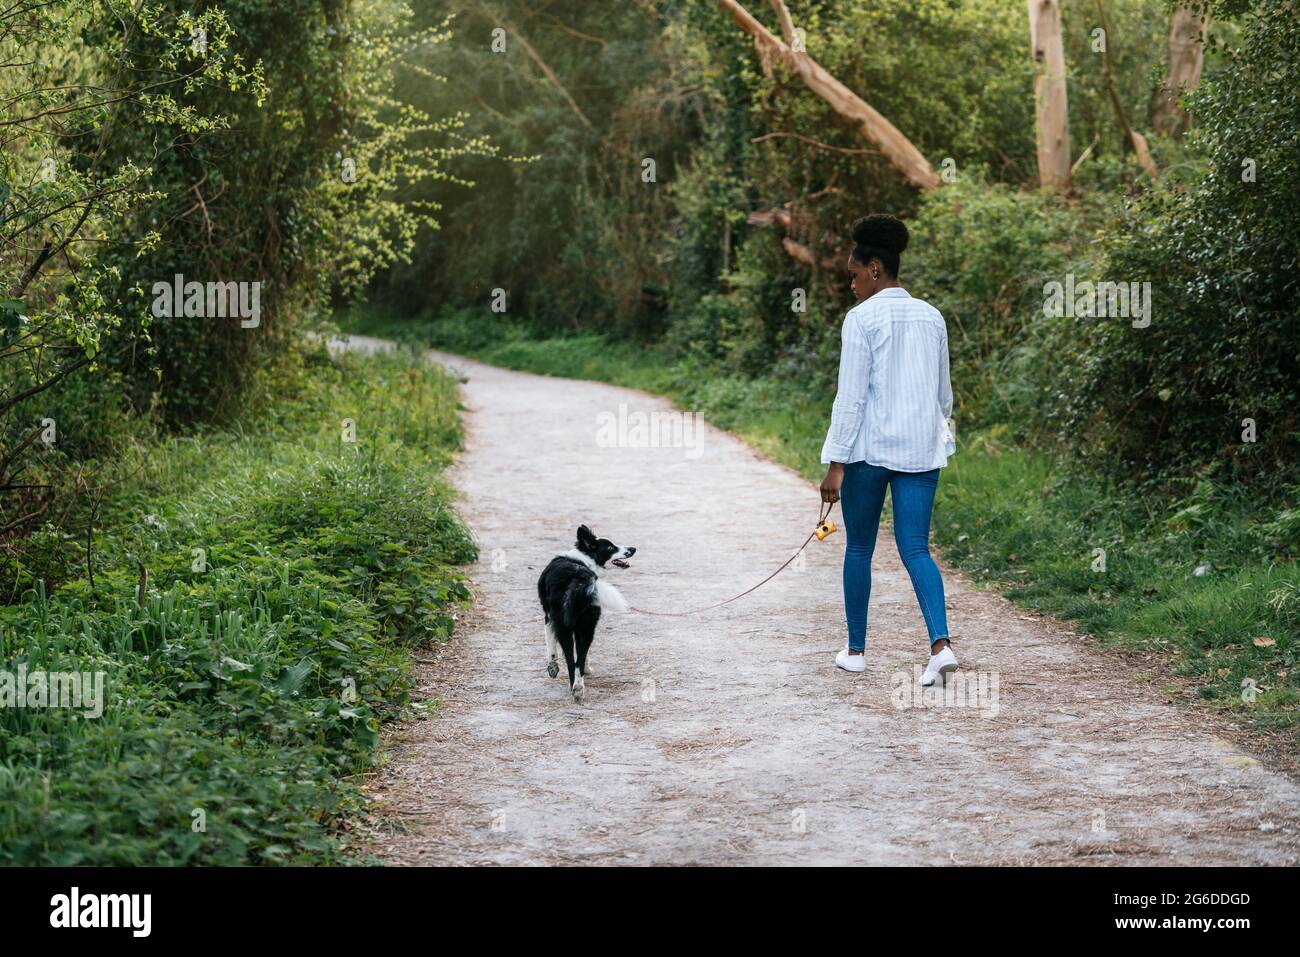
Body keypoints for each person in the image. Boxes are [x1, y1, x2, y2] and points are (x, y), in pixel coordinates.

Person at [818, 214, 958, 687]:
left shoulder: (861, 319)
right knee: (916, 548)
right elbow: (944, 397)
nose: (852, 286)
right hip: (921, 453)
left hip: (868, 454)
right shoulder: (932, 316)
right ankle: (940, 645)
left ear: (875, 269)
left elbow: (852, 398)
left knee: (859, 548)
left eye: (854, 276)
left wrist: (835, 465)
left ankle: (856, 651)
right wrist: (941, 439)